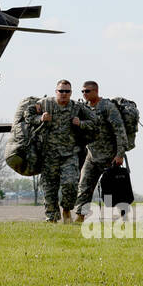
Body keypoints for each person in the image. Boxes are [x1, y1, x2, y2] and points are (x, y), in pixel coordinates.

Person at [38, 80, 100, 223]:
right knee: (49, 189)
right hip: (49, 155)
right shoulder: (45, 103)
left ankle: (66, 210)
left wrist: (81, 123)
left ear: (71, 93)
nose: (64, 94)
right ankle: (52, 218)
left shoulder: (77, 107)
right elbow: (27, 115)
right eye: (61, 91)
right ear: (56, 92)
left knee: (70, 184)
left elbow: (95, 121)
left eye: (67, 91)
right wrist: (40, 118)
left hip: (70, 154)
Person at [73, 81, 127, 223]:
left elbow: (120, 131)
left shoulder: (107, 107)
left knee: (116, 188)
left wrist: (120, 154)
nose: (84, 94)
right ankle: (80, 216)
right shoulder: (83, 108)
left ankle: (123, 215)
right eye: (83, 91)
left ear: (96, 91)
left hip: (110, 156)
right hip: (91, 156)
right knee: (84, 185)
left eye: (87, 91)